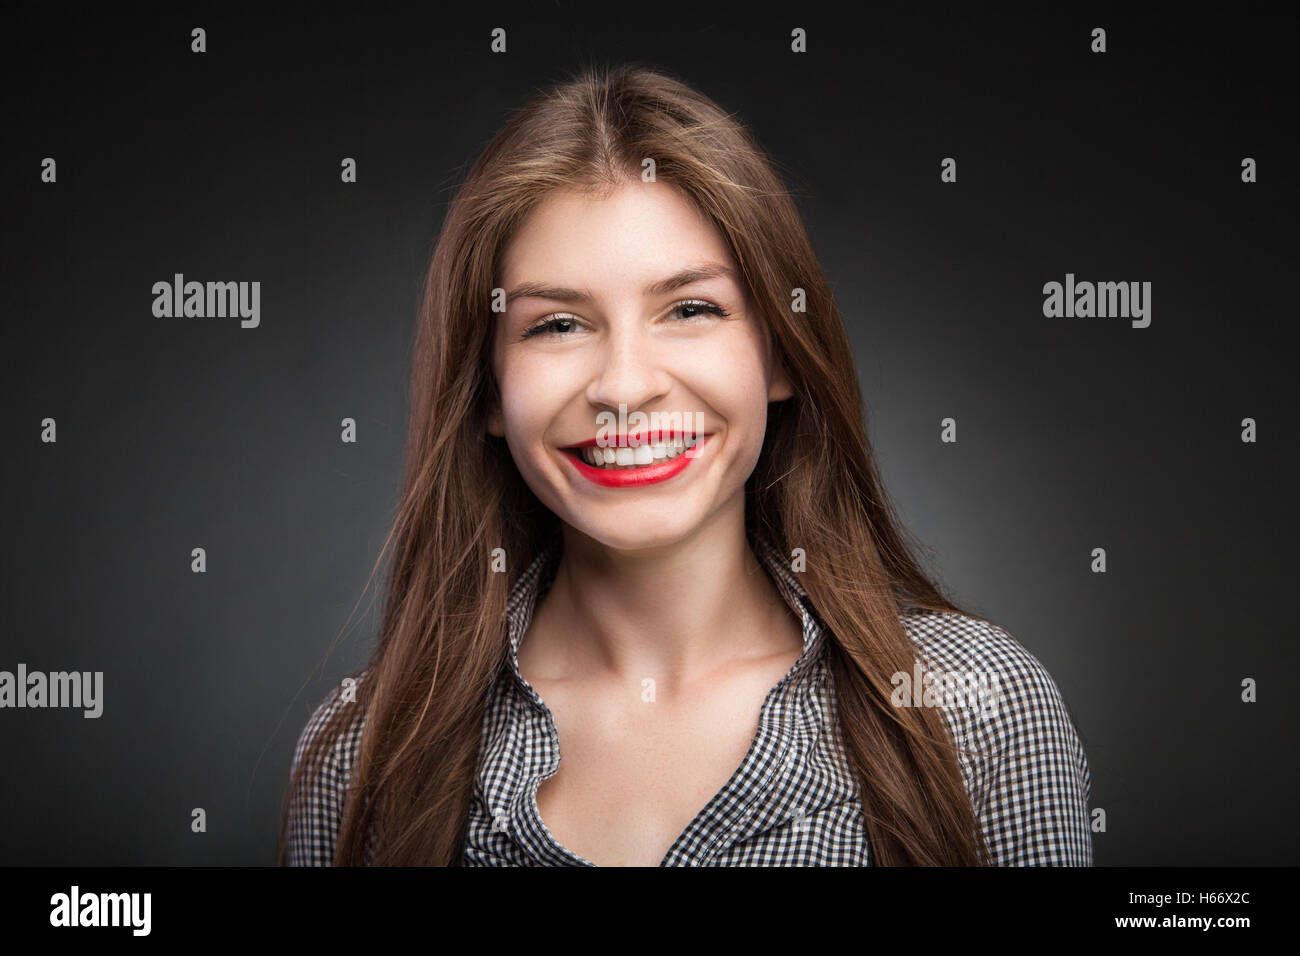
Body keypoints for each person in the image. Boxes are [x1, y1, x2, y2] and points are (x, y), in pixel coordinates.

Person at [279, 63, 1092, 867]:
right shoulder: (363, 760)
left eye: (691, 309)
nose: (625, 387)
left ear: (780, 354)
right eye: (558, 324)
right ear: (488, 389)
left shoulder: (978, 711)